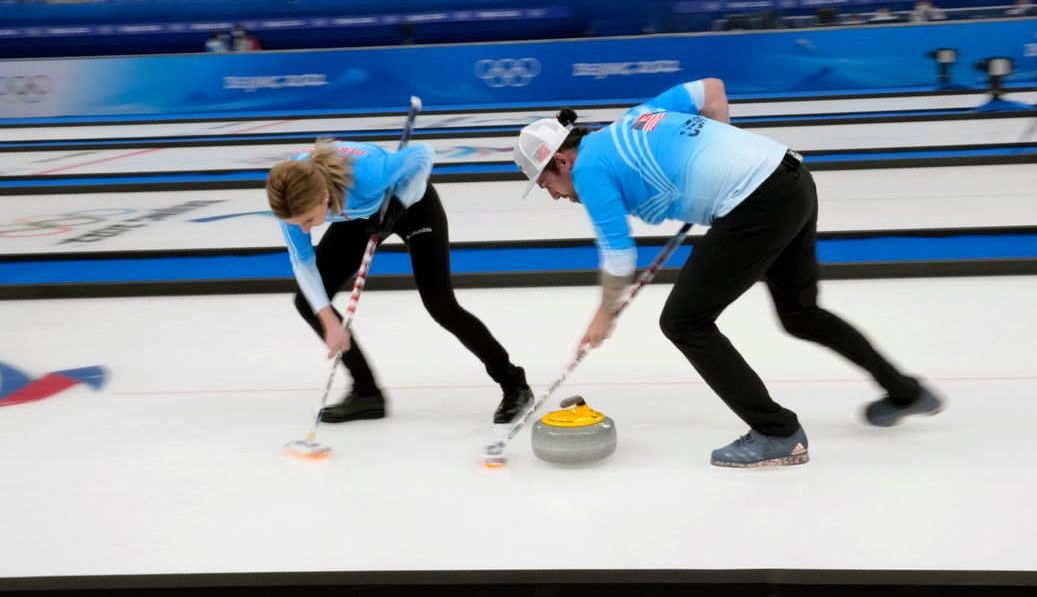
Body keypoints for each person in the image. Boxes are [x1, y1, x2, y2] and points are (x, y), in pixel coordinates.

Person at [512, 79, 943, 468]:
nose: (552, 195)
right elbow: (711, 91)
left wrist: (604, 316)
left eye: (545, 183)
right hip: (790, 177)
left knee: (684, 322)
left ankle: (778, 434)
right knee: (801, 314)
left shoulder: (589, 171)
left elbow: (619, 256)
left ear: (562, 162)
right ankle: (907, 392)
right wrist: (723, 150)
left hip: (757, 203)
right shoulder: (635, 118)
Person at [266, 138, 533, 424]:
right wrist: (329, 320)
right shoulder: (290, 202)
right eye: (298, 224)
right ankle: (367, 394)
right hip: (362, 214)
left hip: (412, 203)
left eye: (308, 221)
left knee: (441, 305)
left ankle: (514, 383)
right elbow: (302, 261)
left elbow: (422, 155)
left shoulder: (368, 173)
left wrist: (397, 204)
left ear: (323, 196)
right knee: (310, 303)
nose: (304, 229)